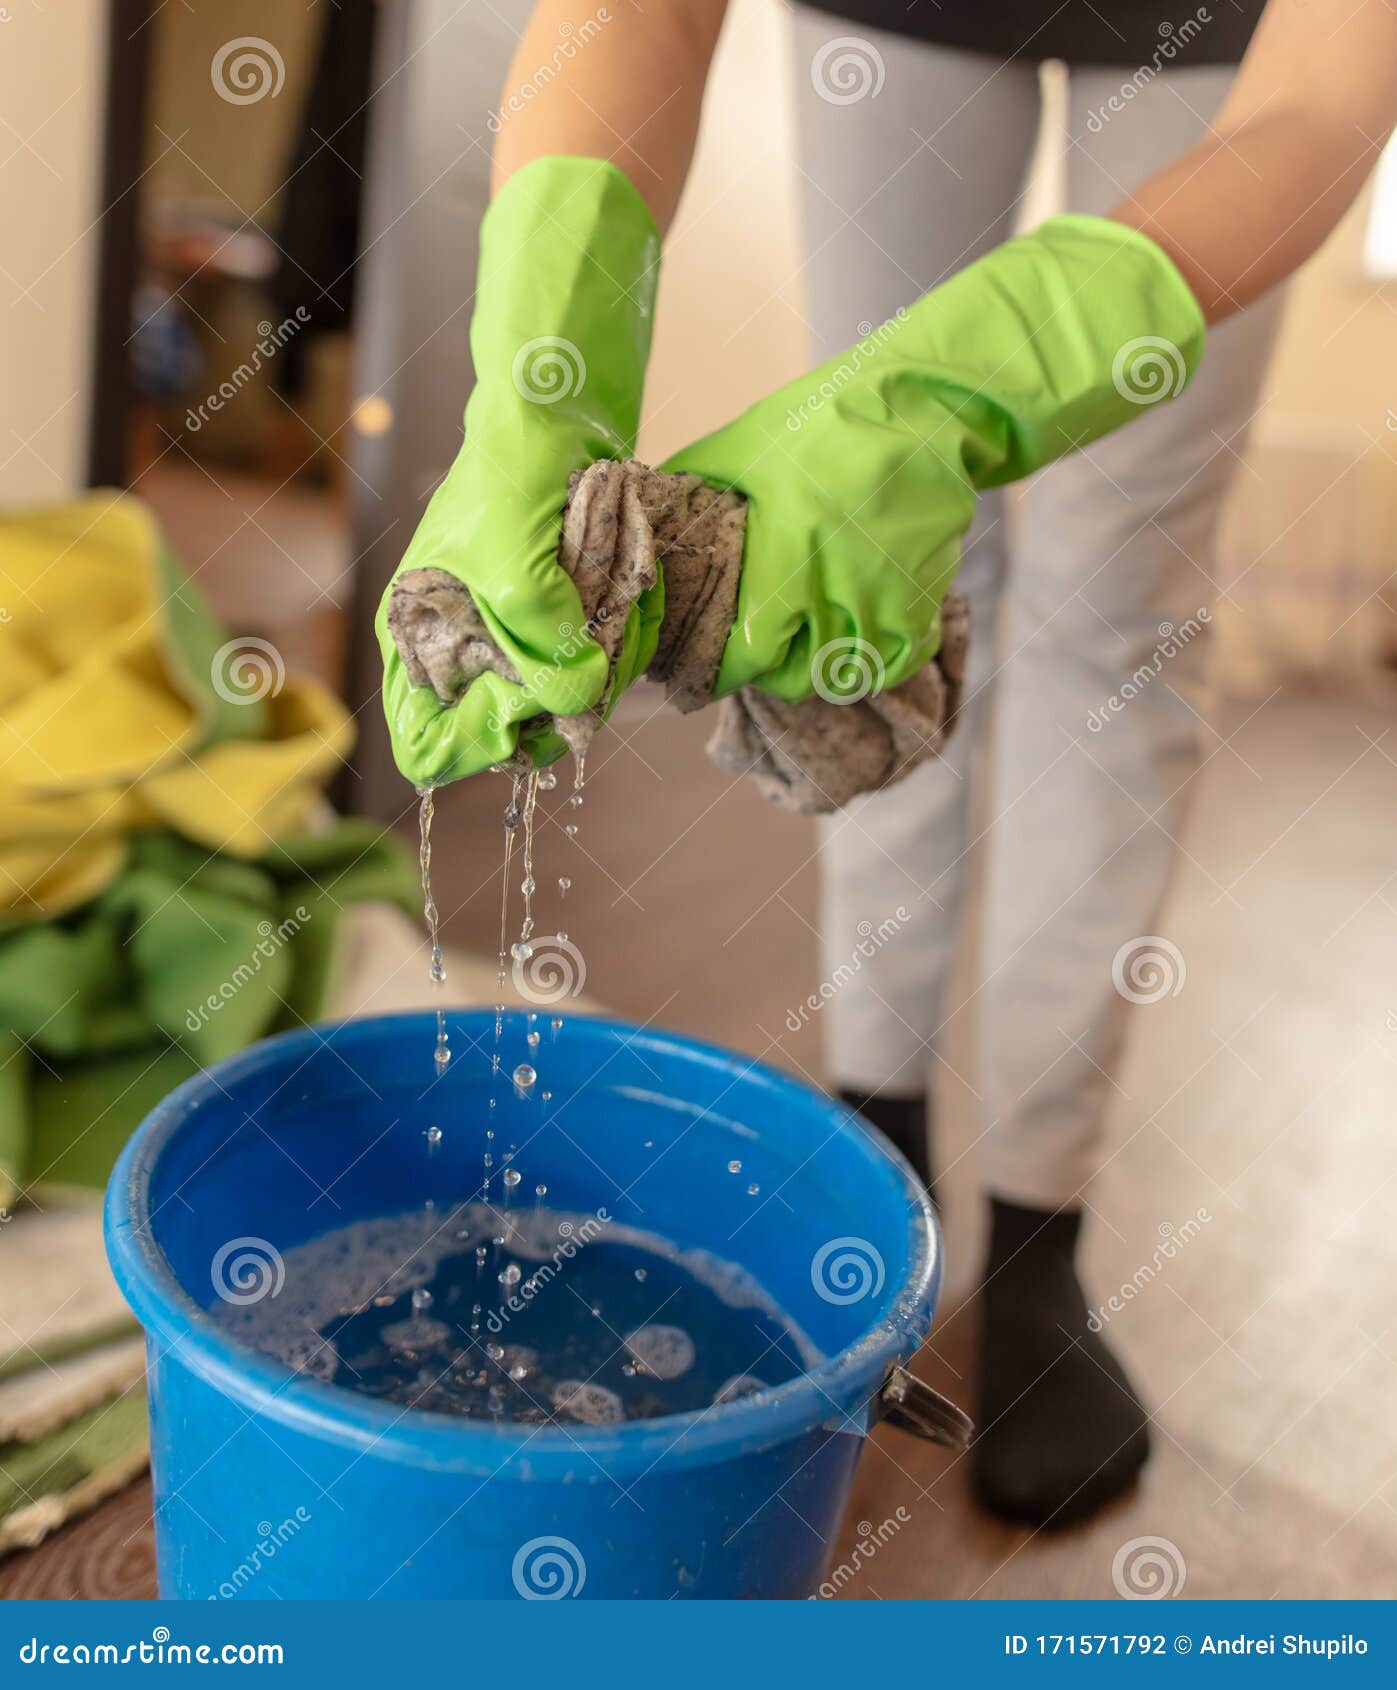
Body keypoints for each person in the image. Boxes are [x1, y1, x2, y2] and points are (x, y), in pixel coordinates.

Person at [376, 0, 1397, 1527]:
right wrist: (542, 376)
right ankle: (878, 1138)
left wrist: (958, 395)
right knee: (872, 577)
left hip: (1222, 45)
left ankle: (1038, 1232)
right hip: (898, 22)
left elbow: (1323, 104)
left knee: (1113, 606)